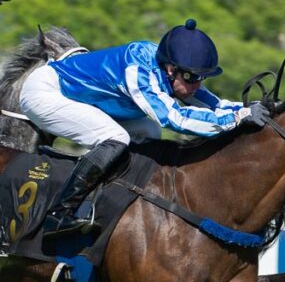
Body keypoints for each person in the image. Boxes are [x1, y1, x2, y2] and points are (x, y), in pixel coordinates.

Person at [19, 18, 267, 240]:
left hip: (92, 99)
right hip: (46, 93)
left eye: (202, 77)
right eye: (192, 77)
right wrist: (236, 120)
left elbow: (214, 104)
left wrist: (247, 109)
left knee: (148, 134)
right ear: (171, 69)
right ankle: (60, 213)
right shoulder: (138, 70)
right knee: (115, 137)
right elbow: (175, 119)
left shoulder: (174, 70)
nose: (197, 85)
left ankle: (119, 198)